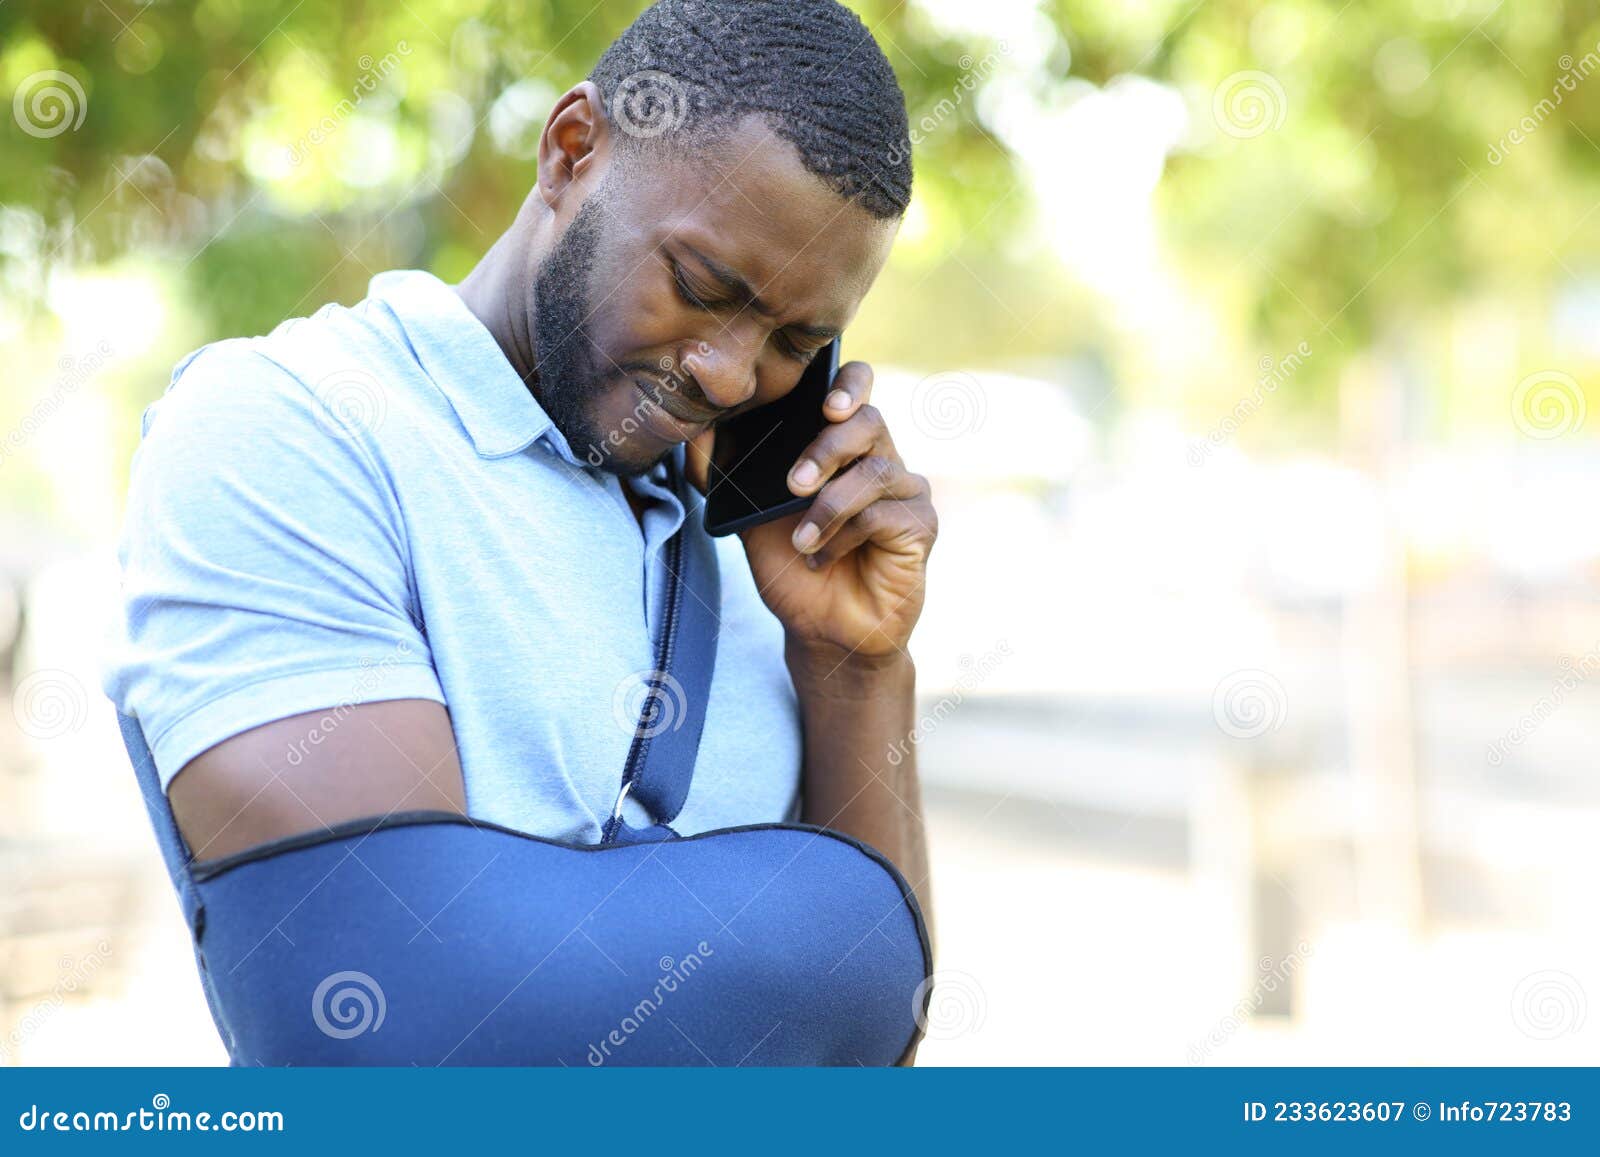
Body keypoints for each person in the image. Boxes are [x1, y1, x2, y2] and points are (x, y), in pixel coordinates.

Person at [103, 0, 938, 1048]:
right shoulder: (289, 427)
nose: (727, 372)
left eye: (793, 339)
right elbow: (401, 1014)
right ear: (571, 150)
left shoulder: (768, 547)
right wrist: (813, 936)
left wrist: (855, 664)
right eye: (702, 285)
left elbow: (876, 1045)